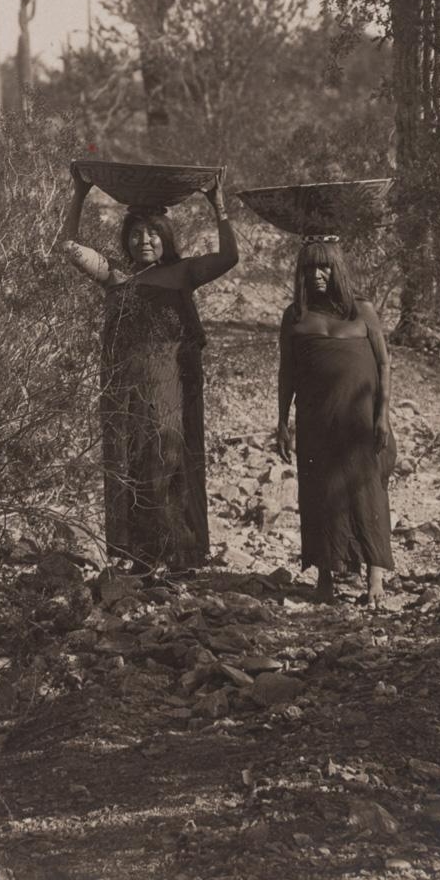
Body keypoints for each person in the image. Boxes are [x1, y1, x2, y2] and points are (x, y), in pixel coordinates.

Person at [62, 167, 238, 572]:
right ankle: (139, 556)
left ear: (167, 238)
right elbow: (69, 246)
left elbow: (230, 257)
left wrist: (218, 204)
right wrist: (80, 192)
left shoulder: (182, 274)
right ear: (126, 239)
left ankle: (177, 554)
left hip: (169, 385)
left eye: (154, 233)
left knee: (167, 458)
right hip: (124, 386)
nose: (145, 241)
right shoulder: (115, 276)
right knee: (132, 460)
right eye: (137, 234)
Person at [276, 236, 395, 607]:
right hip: (315, 420)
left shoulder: (362, 311)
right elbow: (286, 373)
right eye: (309, 267)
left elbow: (384, 364)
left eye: (325, 266)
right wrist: (282, 421)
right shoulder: (295, 316)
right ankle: (325, 576)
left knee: (367, 490)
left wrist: (383, 416)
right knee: (319, 493)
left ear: (338, 269)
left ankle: (375, 576)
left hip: (360, 420)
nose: (317, 274)